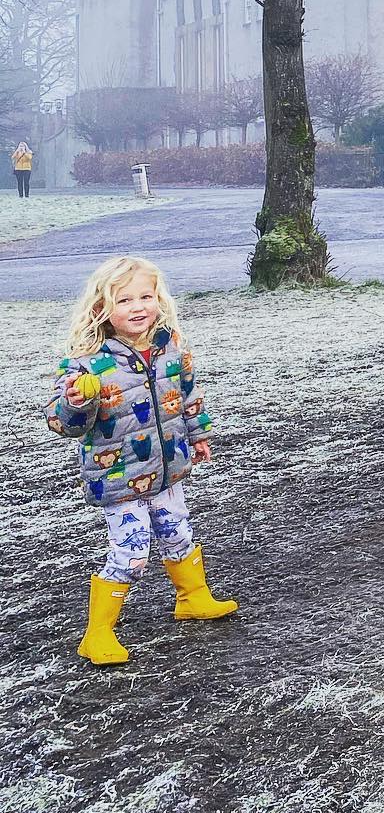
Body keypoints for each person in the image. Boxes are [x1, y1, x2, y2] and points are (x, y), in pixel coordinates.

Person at [44, 255, 238, 665]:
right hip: (117, 476)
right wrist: (76, 402)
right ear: (102, 308)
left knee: (178, 534)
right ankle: (97, 633)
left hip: (168, 469)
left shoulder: (170, 347)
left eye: (145, 297)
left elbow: (188, 395)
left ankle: (193, 597)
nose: (138, 307)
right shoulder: (86, 362)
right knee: (131, 553)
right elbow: (63, 423)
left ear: (158, 298)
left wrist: (199, 435)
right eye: (125, 299)